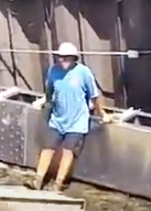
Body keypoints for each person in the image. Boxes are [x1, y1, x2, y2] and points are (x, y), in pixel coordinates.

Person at [26, 42, 104, 193]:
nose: (62, 60)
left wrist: (103, 114)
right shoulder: (53, 71)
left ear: (74, 58)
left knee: (68, 152)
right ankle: (38, 180)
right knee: (47, 148)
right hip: (57, 118)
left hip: (77, 121)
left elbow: (94, 95)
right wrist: (47, 106)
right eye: (60, 57)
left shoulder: (83, 72)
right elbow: (49, 91)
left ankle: (58, 184)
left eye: (66, 58)